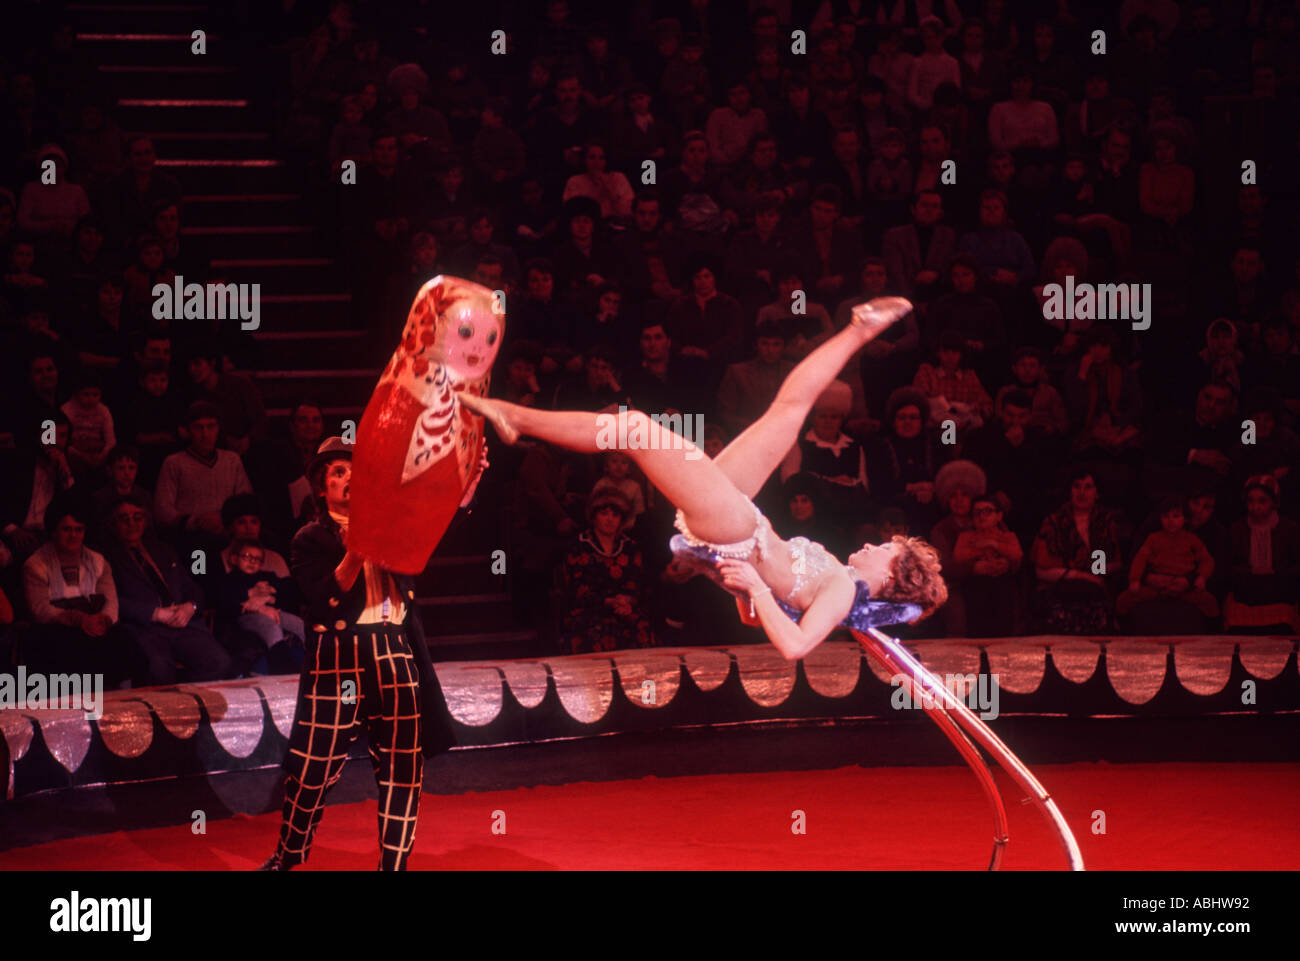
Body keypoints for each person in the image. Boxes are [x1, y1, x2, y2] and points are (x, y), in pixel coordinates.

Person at [458, 297, 947, 661]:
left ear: (890, 576)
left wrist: (752, 585)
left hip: (735, 529)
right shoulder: (840, 581)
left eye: (886, 550)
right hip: (740, 524)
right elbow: (755, 617)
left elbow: (796, 647)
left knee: (634, 429)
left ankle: (515, 418)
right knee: (788, 408)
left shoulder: (843, 588)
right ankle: (859, 330)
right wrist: (743, 590)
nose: (876, 544)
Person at [260, 436, 463, 871]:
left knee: (402, 767)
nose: (350, 478)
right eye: (339, 473)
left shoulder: (392, 525)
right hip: (340, 657)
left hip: (393, 650)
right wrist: (355, 549)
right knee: (313, 768)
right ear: (322, 488)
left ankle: (394, 866)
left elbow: (437, 521)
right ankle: (288, 856)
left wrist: (469, 482)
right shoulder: (310, 538)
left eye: (356, 471)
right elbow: (324, 601)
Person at [556, 488, 653, 654]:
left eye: (615, 515)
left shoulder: (631, 547)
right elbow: (578, 589)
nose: (610, 519)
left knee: (642, 627)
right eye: (604, 514)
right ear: (594, 516)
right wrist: (609, 602)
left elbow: (636, 583)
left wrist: (626, 601)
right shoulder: (578, 546)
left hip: (624, 608)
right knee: (597, 632)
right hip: (588, 610)